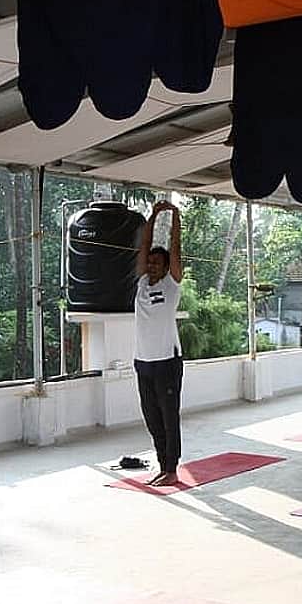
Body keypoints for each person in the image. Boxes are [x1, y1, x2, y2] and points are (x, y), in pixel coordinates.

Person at [134, 200, 184, 486]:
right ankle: (162, 464)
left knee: (168, 417)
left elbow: (175, 249)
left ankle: (172, 468)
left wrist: (174, 215)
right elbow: (144, 245)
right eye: (150, 262)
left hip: (167, 361)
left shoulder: (171, 285)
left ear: (166, 268)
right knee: (152, 418)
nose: (151, 265)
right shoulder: (142, 283)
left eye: (157, 263)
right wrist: (152, 215)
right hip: (143, 362)